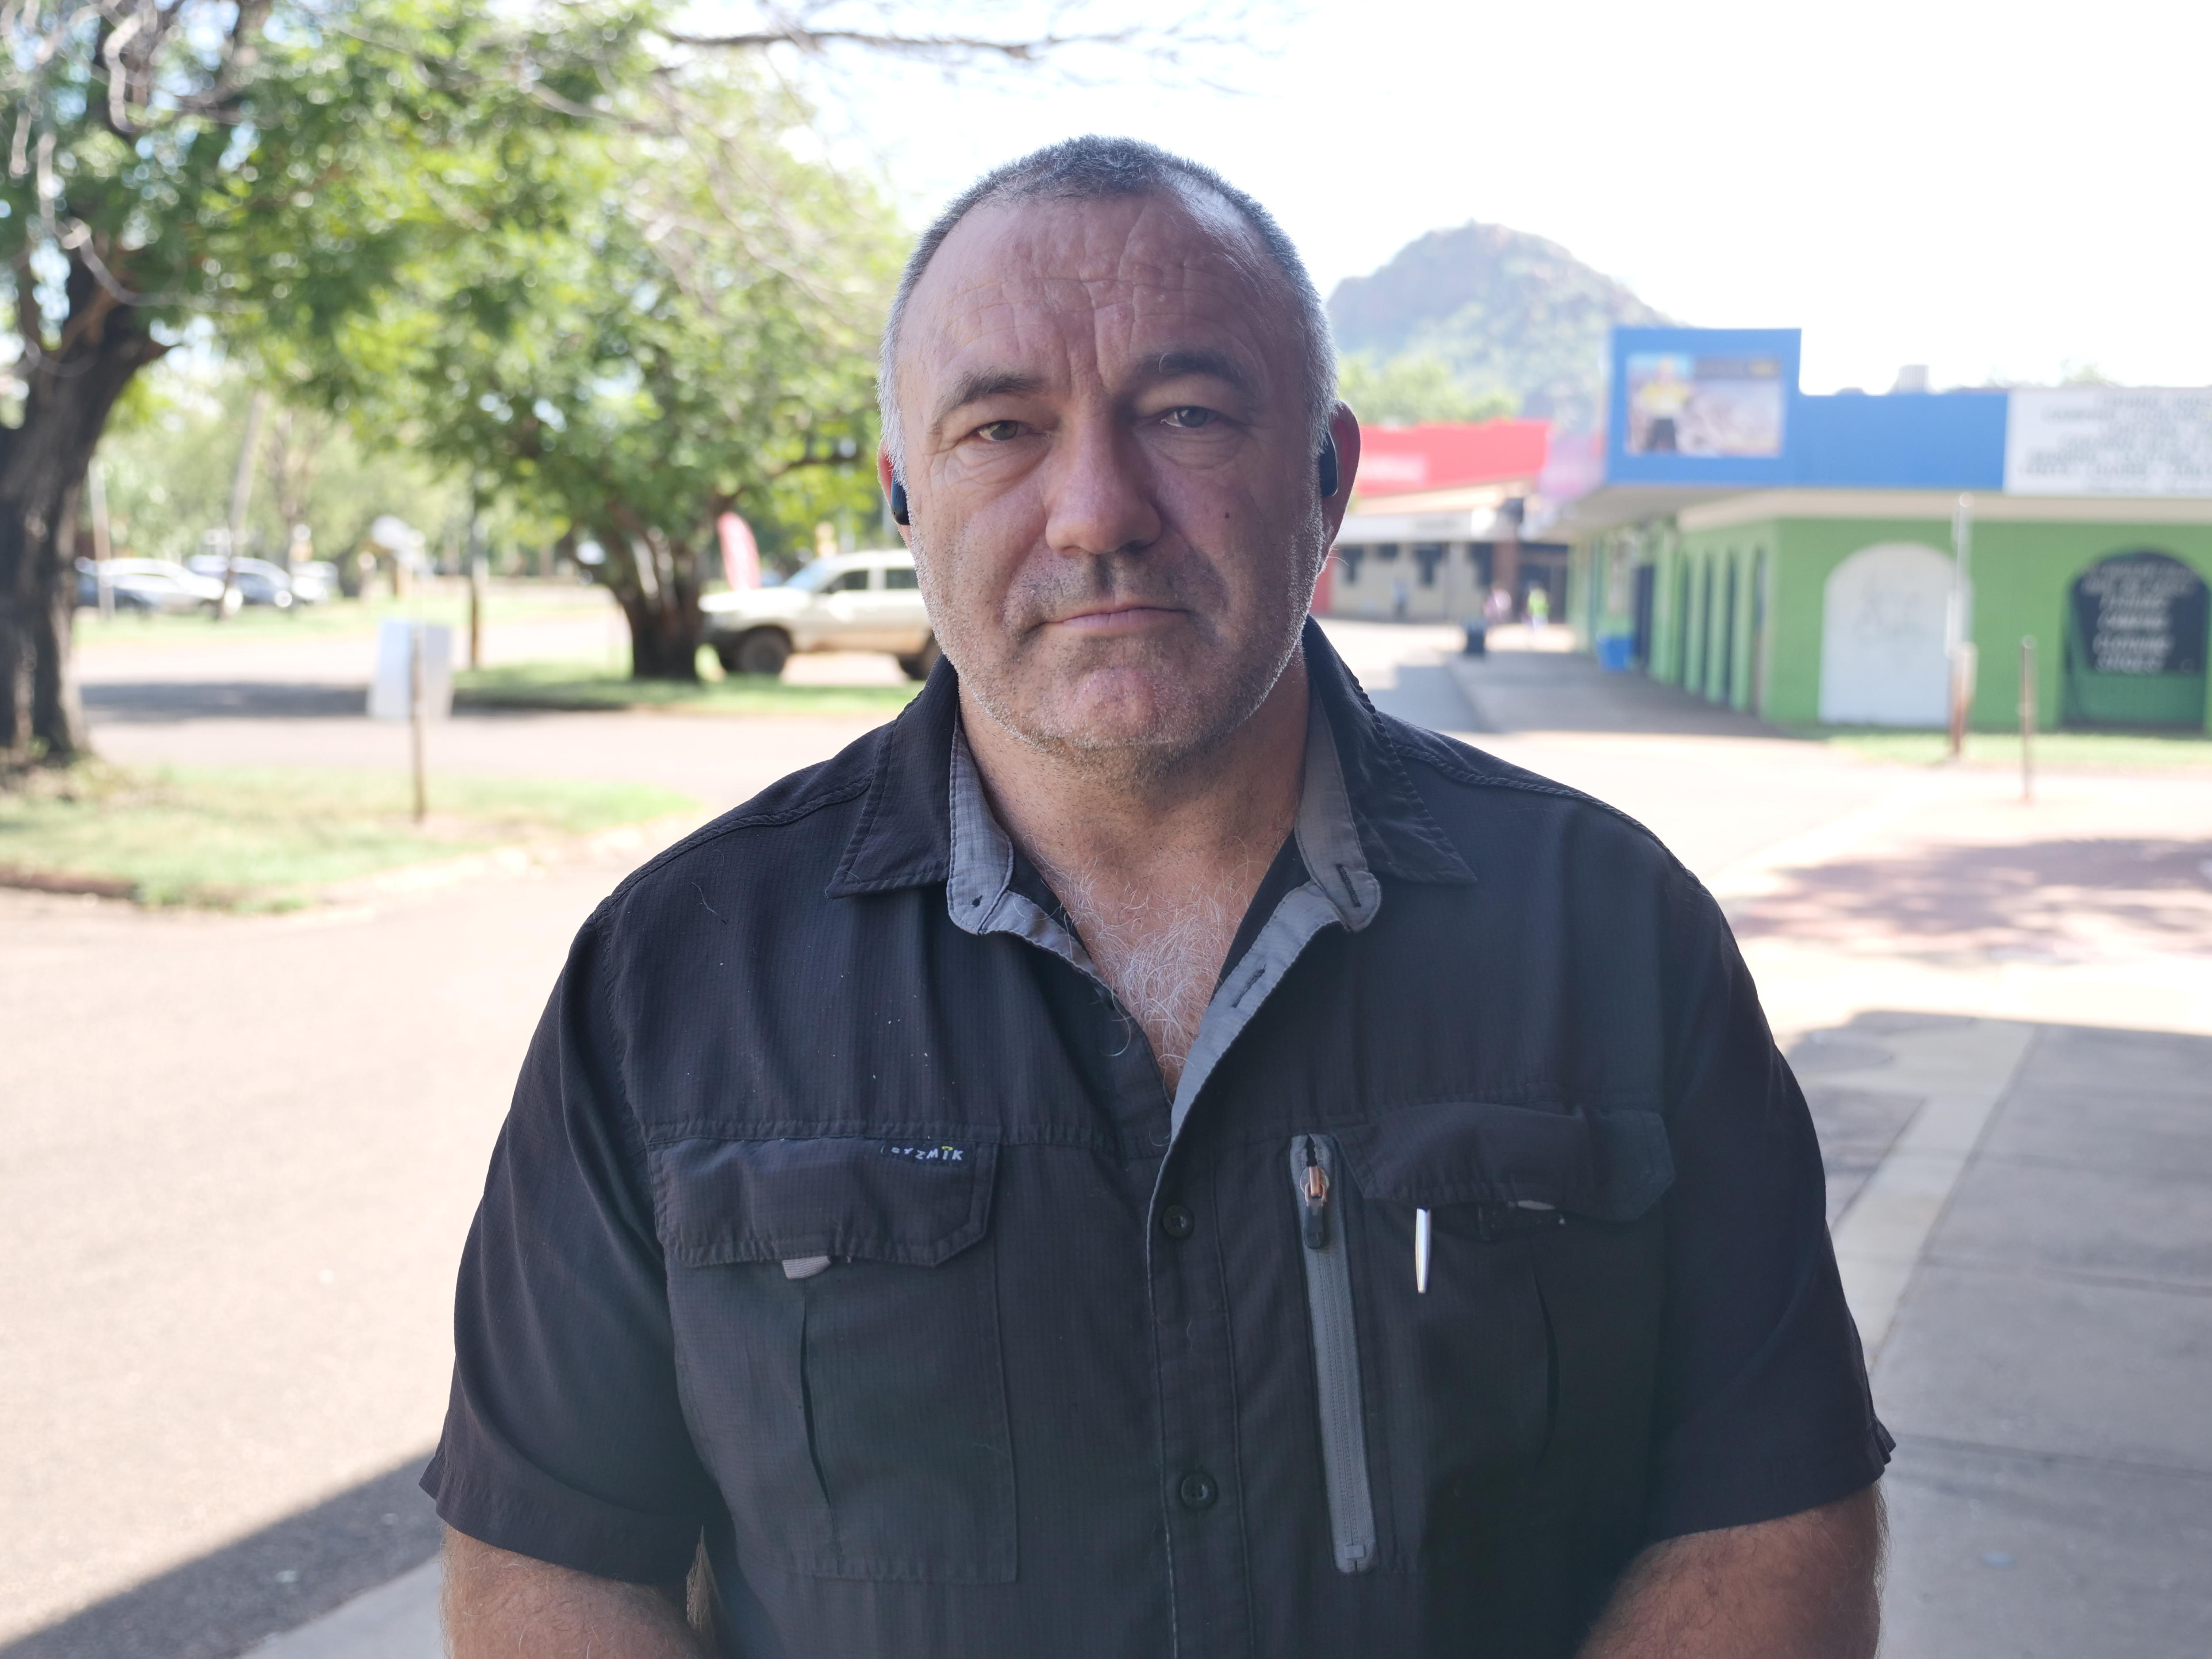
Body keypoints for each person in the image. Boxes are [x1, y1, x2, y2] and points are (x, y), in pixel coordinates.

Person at [425, 137, 1889, 1659]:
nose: (1097, 510)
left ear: (1327, 476)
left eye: (1185, 414)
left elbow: (1768, 1513)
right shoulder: (671, 978)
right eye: (1000, 428)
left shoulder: (1613, 935)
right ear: (905, 497)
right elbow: (554, 1557)